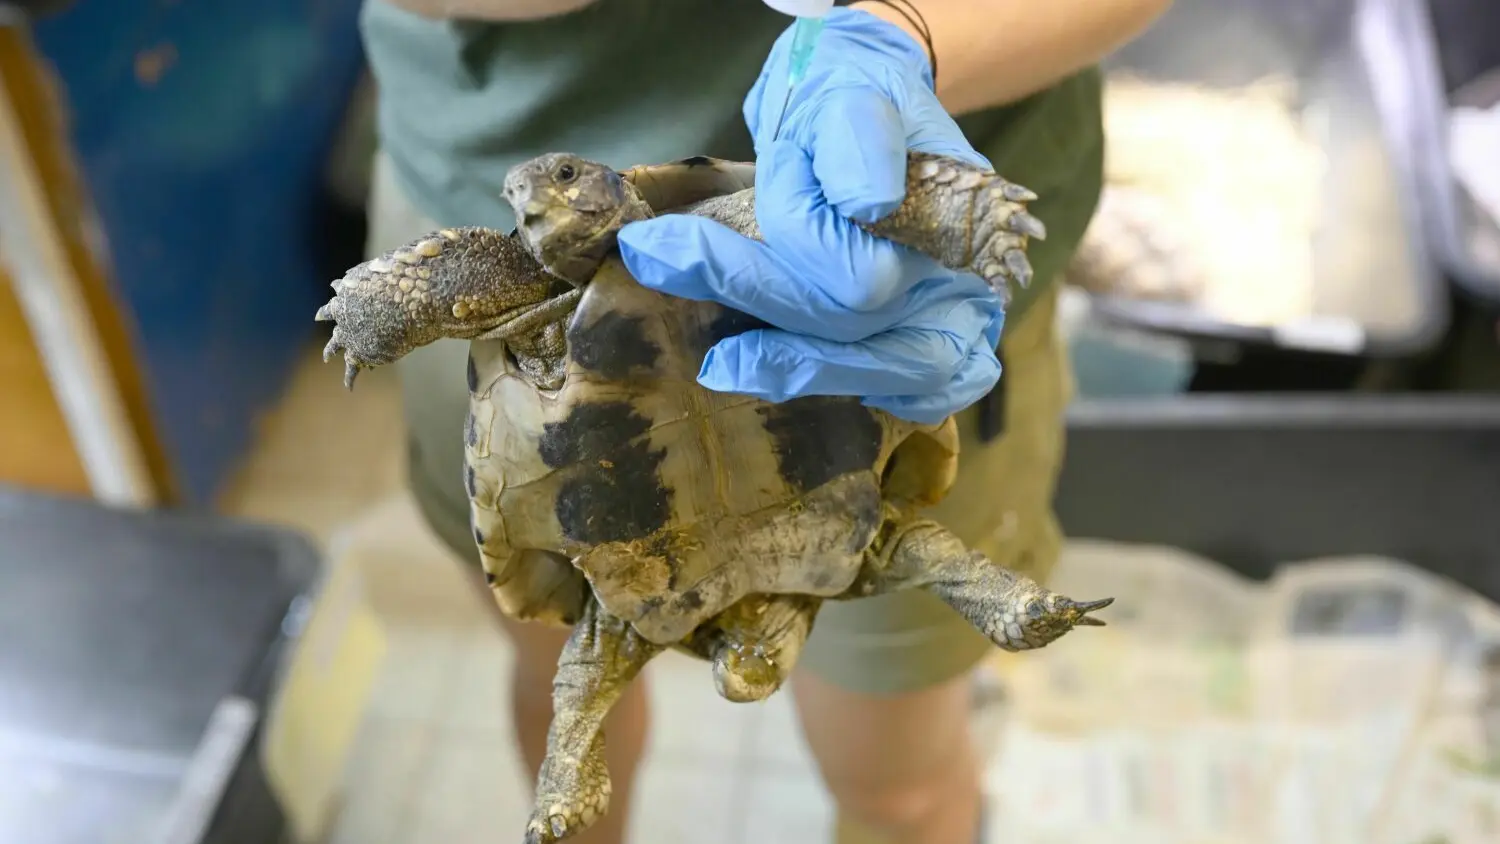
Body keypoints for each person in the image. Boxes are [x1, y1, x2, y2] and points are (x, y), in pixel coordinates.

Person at [357, 1, 1172, 842]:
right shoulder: (543, 216)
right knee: (548, 673)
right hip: (507, 148)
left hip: (900, 199)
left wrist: (901, 41)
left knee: (901, 782)